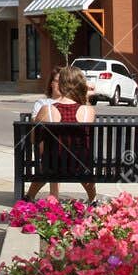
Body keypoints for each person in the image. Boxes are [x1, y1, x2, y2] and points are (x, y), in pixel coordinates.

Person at [31, 65, 97, 204]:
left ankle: (29, 197)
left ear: (60, 84)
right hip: (80, 165)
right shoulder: (88, 111)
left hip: (53, 165)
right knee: (80, 156)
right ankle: (93, 199)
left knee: (49, 157)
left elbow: (34, 139)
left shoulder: (46, 109)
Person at [22, 70, 63, 202]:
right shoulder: (42, 103)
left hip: (62, 149)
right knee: (52, 154)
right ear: (51, 84)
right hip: (46, 146)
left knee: (51, 162)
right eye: (58, 81)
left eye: (64, 81)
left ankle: (31, 196)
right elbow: (37, 126)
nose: (61, 84)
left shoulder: (71, 103)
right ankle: (52, 197)